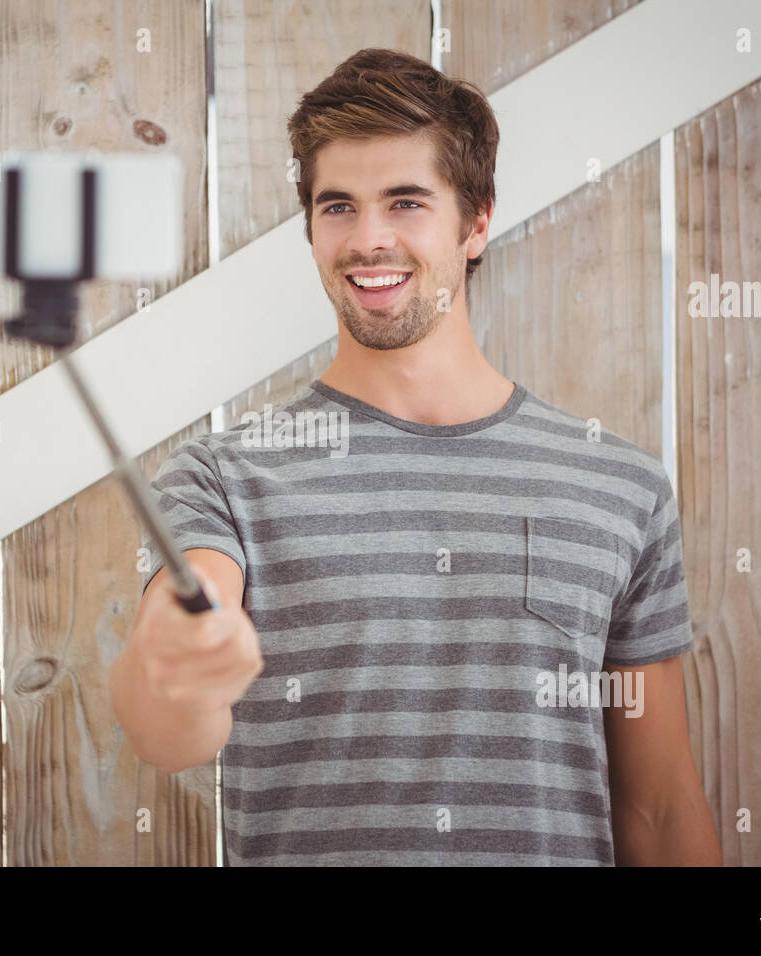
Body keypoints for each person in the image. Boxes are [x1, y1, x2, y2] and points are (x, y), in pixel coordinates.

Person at [110, 48, 720, 867]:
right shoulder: (225, 477)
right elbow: (165, 731)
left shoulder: (620, 486)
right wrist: (177, 663)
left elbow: (661, 809)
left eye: (405, 202)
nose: (368, 240)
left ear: (476, 223)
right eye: (338, 207)